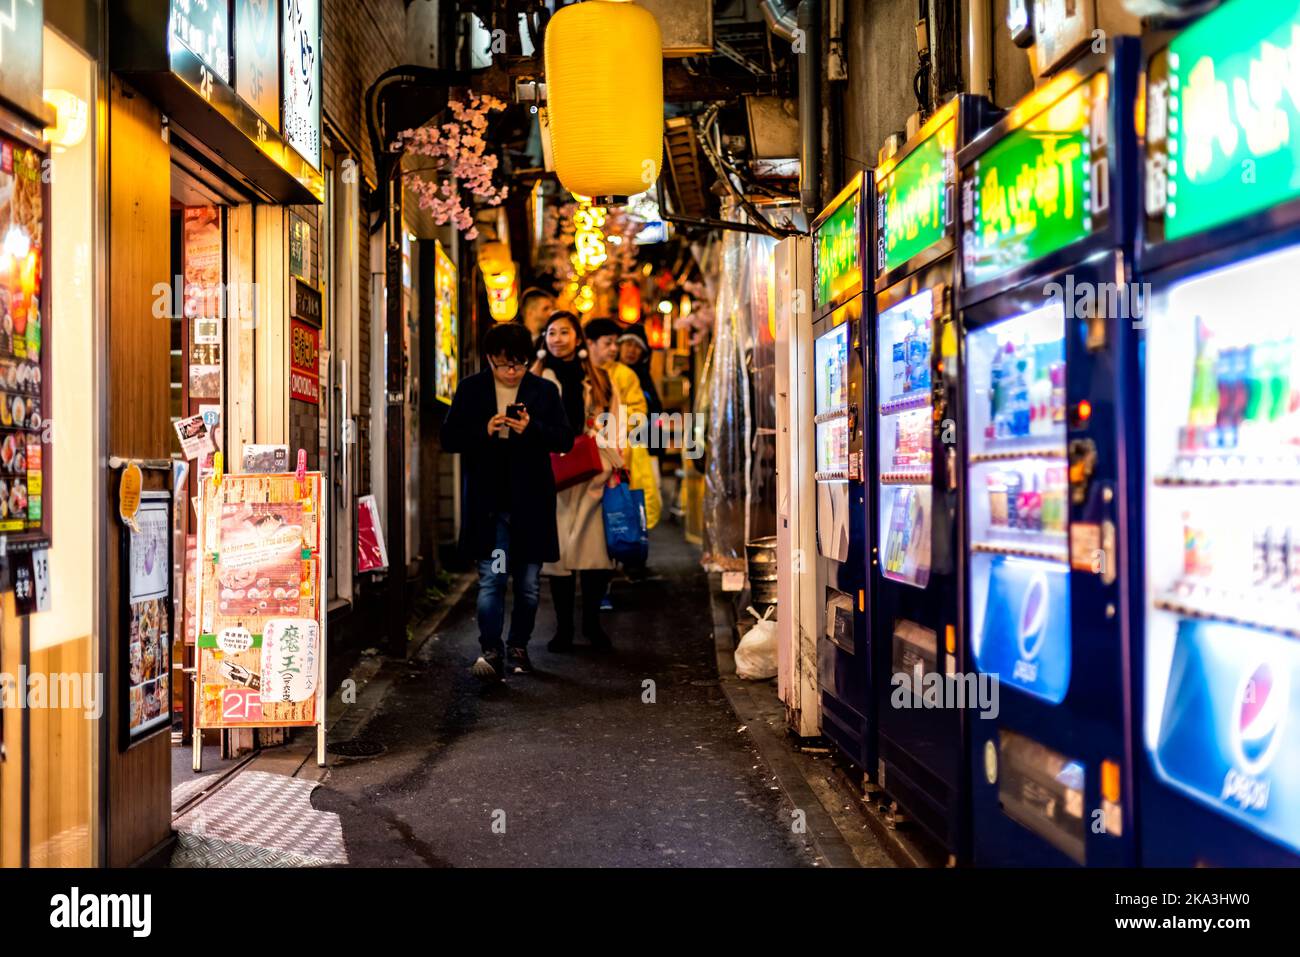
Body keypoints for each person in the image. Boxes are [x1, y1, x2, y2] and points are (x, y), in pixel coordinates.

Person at [440, 322, 574, 682]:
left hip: (530, 501)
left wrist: (532, 429)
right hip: (490, 502)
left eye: (519, 365)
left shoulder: (543, 390)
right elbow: (449, 438)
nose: (512, 372)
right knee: (493, 579)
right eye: (504, 365)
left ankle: (518, 647)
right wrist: (482, 430)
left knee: (529, 584)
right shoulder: (472, 389)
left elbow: (564, 439)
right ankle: (491, 649)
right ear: (490, 360)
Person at [531, 311, 623, 651]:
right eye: (550, 332)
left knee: (594, 552)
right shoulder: (535, 377)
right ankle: (564, 628)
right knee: (560, 555)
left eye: (564, 332)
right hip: (552, 474)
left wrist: (615, 463)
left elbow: (614, 420)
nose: (556, 338)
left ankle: (592, 624)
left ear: (577, 337)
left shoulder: (598, 377)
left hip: (593, 472)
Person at [586, 318, 662, 584]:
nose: (615, 350)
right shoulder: (582, 373)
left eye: (614, 344)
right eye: (611, 344)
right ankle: (598, 576)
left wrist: (614, 422)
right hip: (590, 457)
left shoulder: (624, 375)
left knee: (619, 510)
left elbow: (640, 412)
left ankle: (626, 561)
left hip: (622, 455)